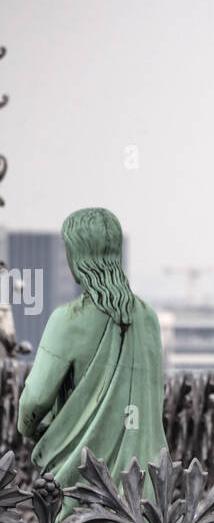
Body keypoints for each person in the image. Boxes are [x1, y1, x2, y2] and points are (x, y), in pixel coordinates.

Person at [17, 206, 166, 506]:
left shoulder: (68, 319)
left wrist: (28, 429)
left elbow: (34, 399)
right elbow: (155, 393)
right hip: (144, 484)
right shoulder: (148, 317)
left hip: (81, 481)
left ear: (78, 256)